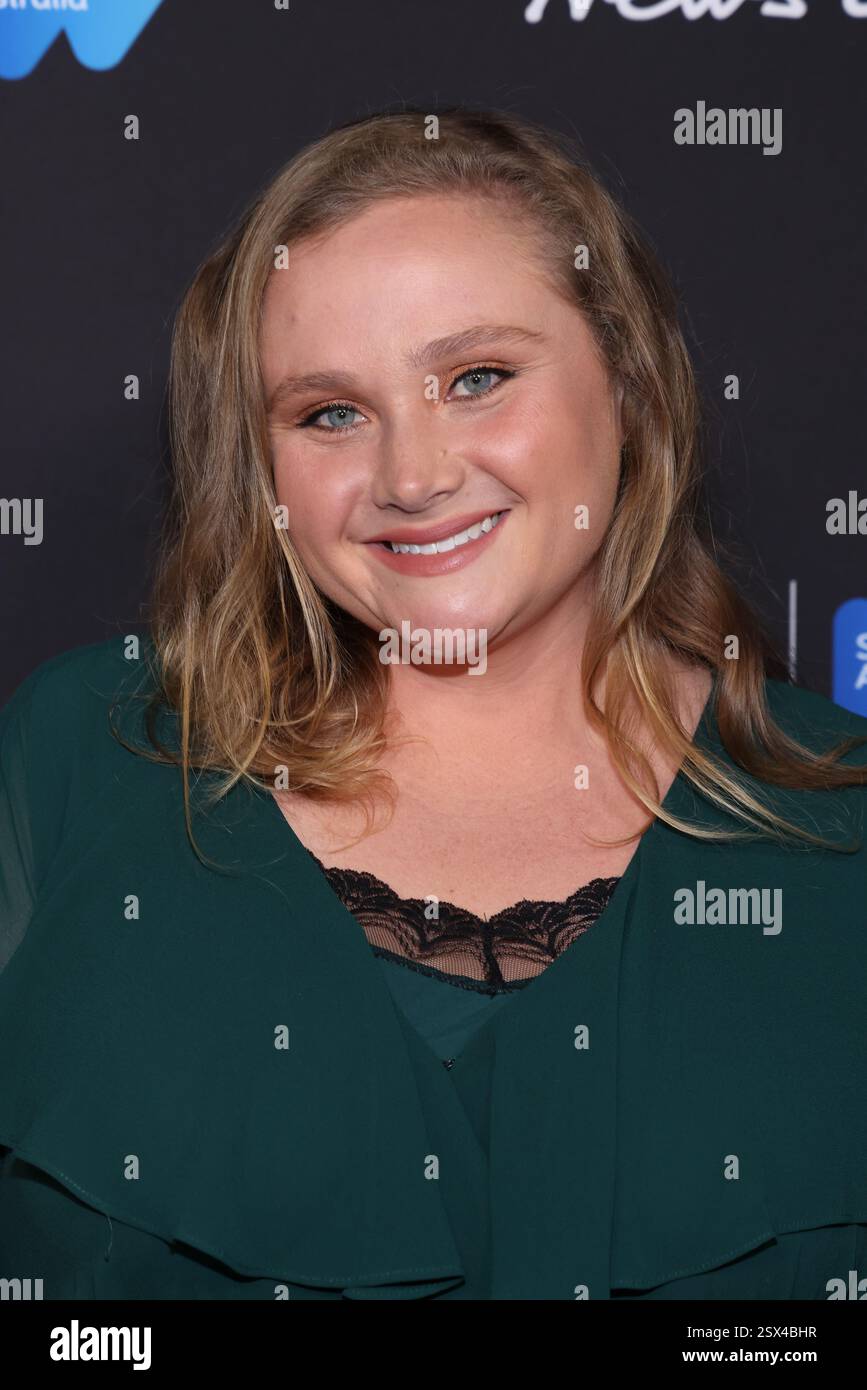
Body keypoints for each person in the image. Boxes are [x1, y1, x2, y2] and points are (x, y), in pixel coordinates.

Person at [1, 105, 866, 1301]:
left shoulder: (847, 831)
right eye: (330, 413)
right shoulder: (73, 763)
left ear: (630, 383)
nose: (412, 477)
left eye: (477, 378)